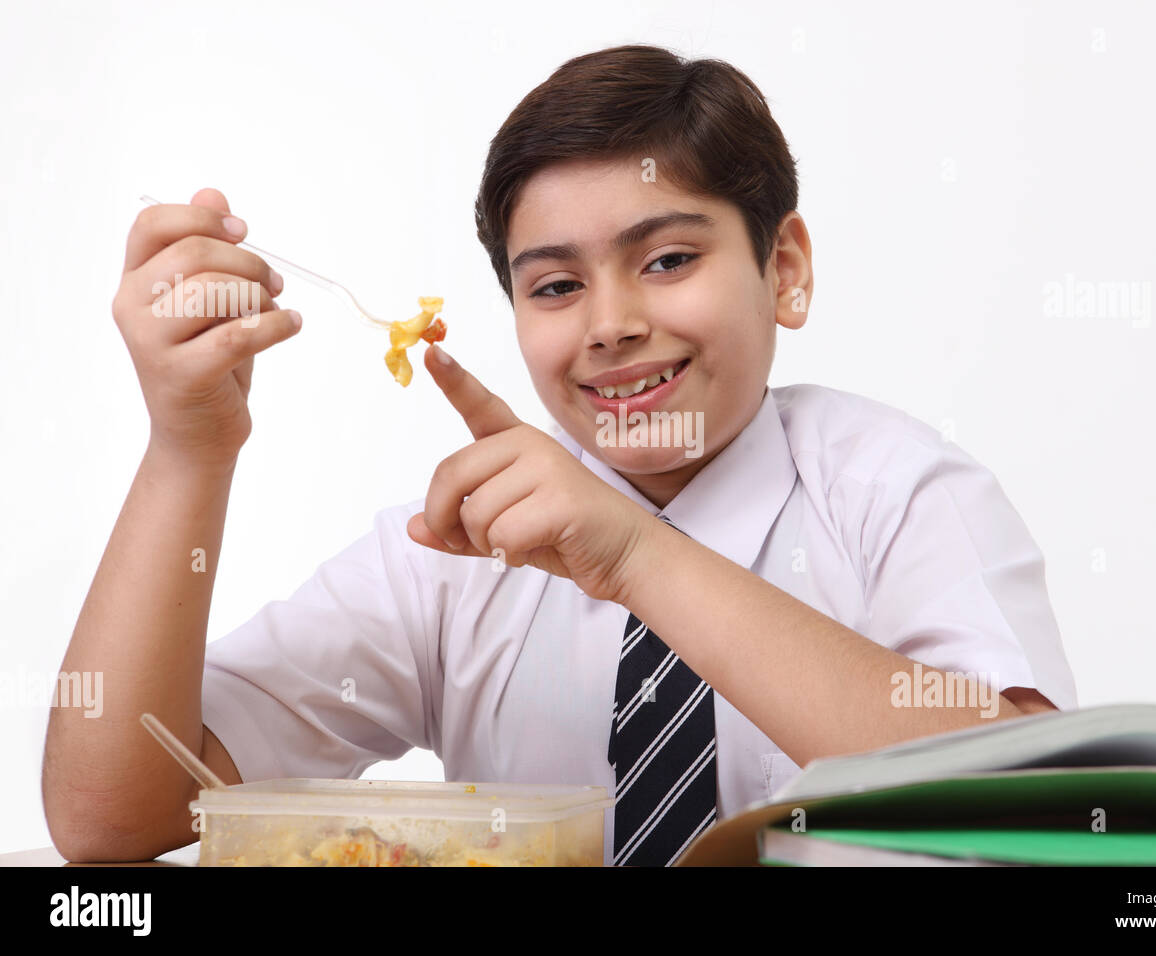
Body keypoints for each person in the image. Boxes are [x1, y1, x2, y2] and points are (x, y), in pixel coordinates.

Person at [44, 44, 1075, 867]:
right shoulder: (450, 555)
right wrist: (188, 451)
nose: (611, 323)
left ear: (785, 269)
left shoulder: (895, 490)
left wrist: (637, 555)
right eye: (554, 286)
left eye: (668, 259)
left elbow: (1038, 811)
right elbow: (113, 816)